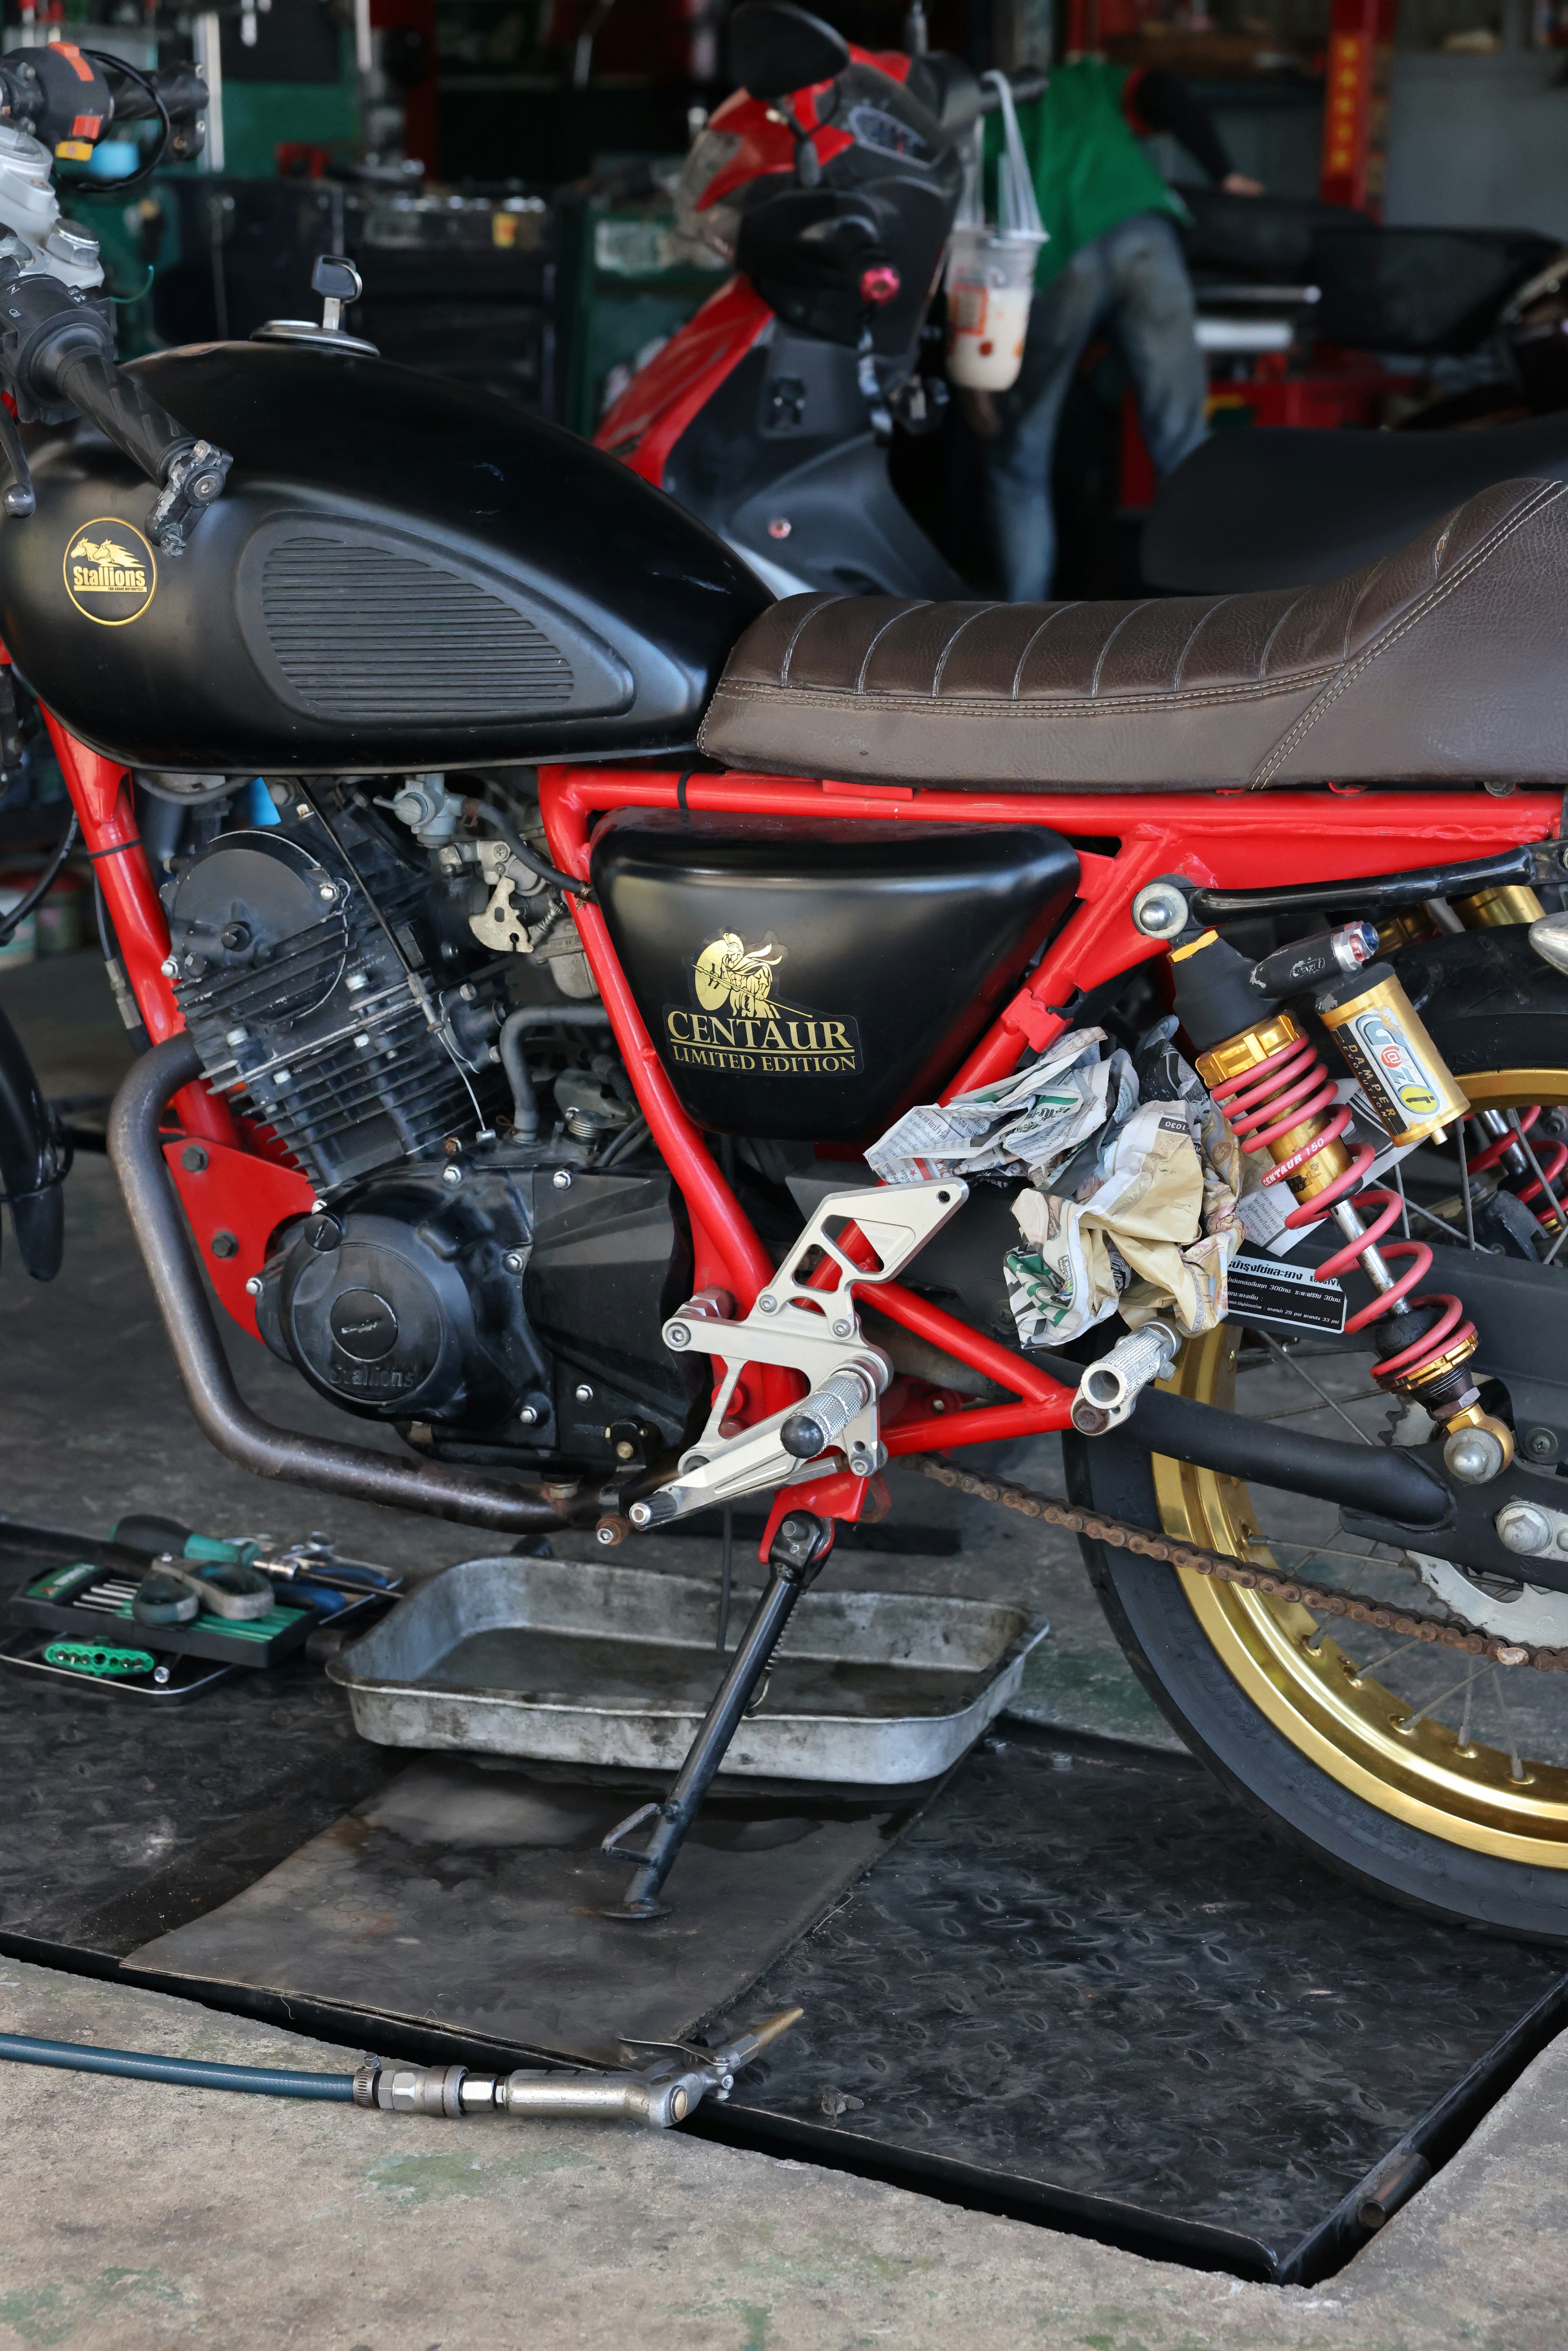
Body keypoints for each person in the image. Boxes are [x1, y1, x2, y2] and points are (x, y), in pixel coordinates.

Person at [971, 63, 1262, 601]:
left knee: (1020, 456)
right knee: (1183, 444)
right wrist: (1225, 173)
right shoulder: (1083, 80)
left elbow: (976, 256)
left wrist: (978, 371)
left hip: (1059, 260)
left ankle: (1021, 627)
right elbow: (1164, 89)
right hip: (1145, 237)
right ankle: (1212, 615)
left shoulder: (969, 120)